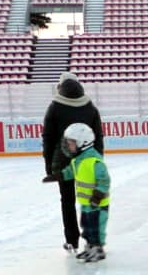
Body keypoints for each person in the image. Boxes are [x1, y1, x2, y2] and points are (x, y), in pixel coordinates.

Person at [42, 72, 104, 254]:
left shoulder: (54, 108)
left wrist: (49, 165)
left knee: (67, 201)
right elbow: (98, 136)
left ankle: (72, 241)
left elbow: (48, 138)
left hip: (63, 162)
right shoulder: (90, 107)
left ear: (60, 87)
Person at [44, 123, 110, 263]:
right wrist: (58, 176)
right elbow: (70, 172)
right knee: (86, 226)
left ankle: (98, 249)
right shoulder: (77, 160)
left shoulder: (94, 161)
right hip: (86, 203)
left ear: (83, 143)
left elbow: (104, 181)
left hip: (97, 204)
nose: (68, 146)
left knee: (96, 227)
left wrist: (97, 196)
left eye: (71, 143)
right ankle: (90, 247)